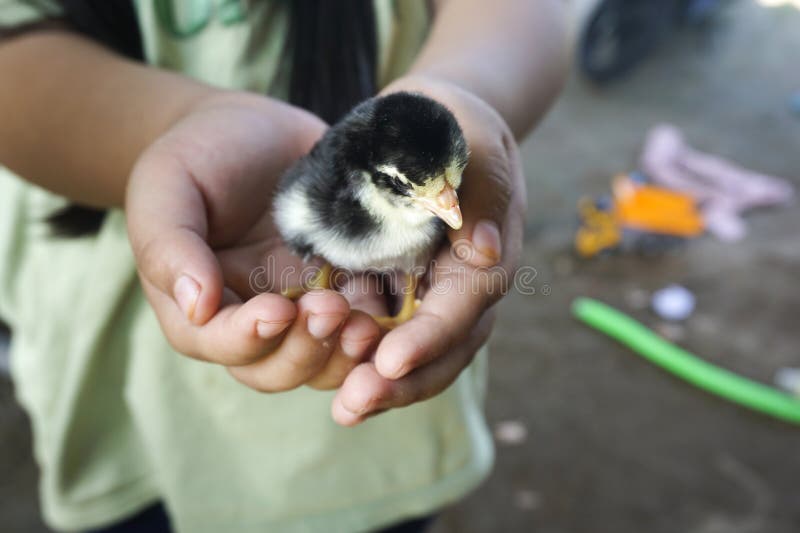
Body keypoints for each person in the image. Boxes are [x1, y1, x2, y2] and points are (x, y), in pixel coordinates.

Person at [0, 1, 570, 531]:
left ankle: (400, 300)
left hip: (384, 464)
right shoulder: (334, 199)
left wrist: (467, 90)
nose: (451, 206)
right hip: (111, 384)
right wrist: (176, 122)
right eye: (424, 189)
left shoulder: (425, 198)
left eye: (452, 181)